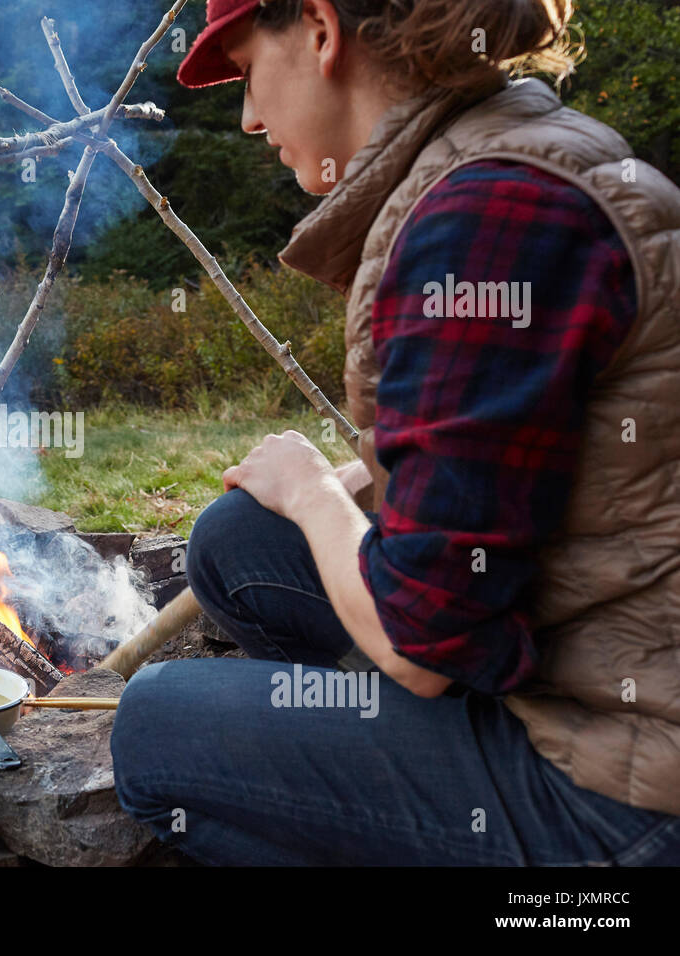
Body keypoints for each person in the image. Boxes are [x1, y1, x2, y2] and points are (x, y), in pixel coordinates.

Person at [110, 0, 680, 865]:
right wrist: (366, 484)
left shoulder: (483, 218)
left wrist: (310, 488)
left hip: (624, 793)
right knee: (239, 538)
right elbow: (528, 446)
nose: (250, 118)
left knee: (154, 728)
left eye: (248, 73)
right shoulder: (508, 162)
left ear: (320, 30)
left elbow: (424, 647)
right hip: (593, 669)